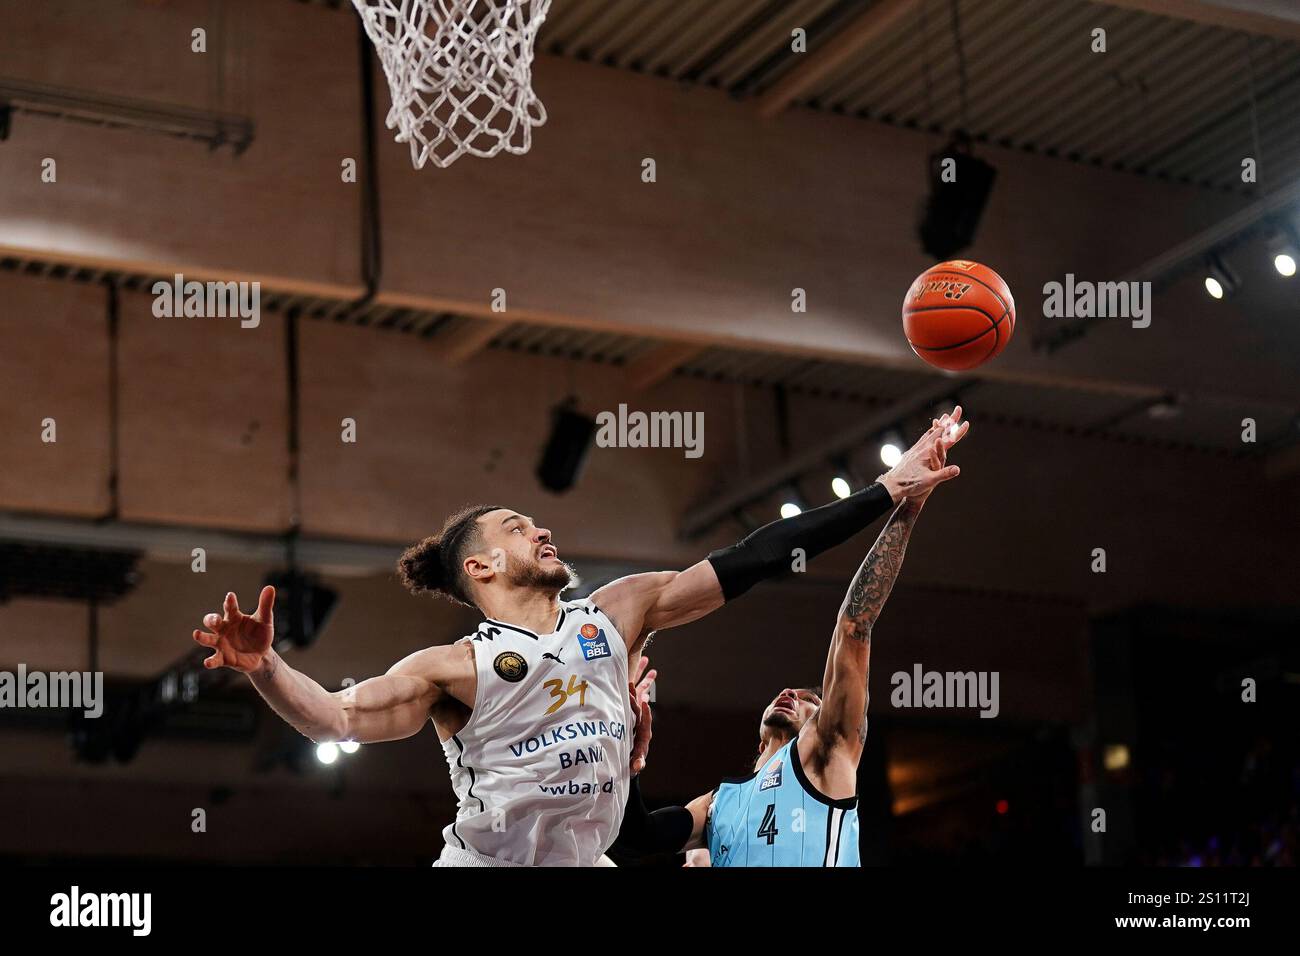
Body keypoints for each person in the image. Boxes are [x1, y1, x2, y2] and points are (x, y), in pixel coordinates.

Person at [190, 409, 966, 866]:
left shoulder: (617, 612)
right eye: (518, 528)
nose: (543, 529)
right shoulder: (450, 670)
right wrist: (264, 668)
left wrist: (884, 491)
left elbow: (751, 558)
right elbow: (334, 717)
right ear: (482, 566)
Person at [615, 411, 966, 866]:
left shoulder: (827, 751)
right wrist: (627, 758)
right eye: (794, 694)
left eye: (808, 700)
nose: (791, 695)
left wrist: (908, 507)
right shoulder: (718, 804)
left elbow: (854, 625)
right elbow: (636, 839)